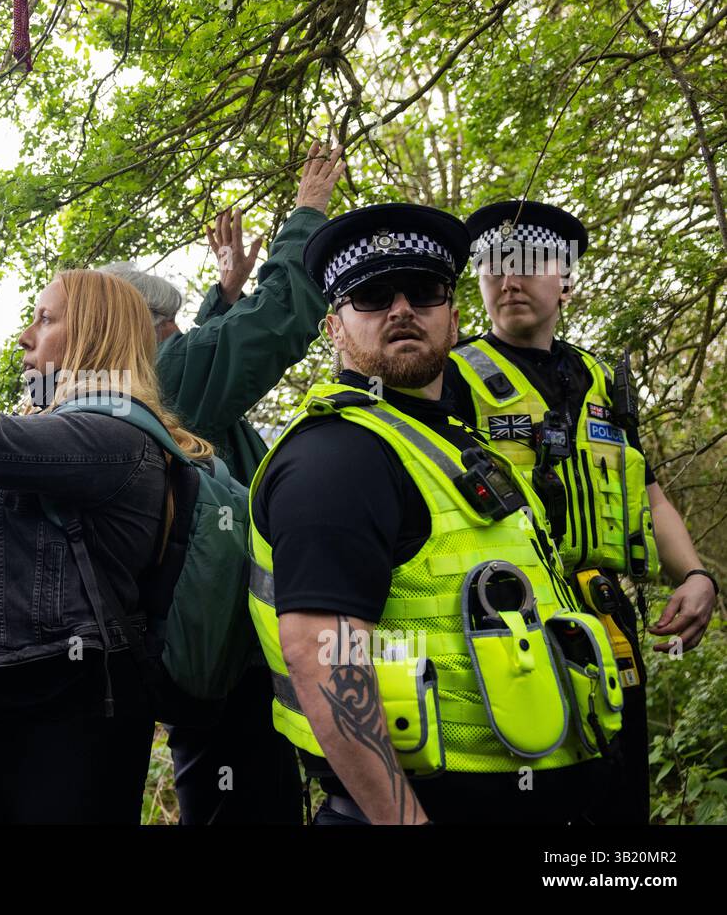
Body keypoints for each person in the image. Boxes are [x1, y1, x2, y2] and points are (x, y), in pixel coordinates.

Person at [249, 203, 614, 824]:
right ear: (334, 326)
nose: (401, 310)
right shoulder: (337, 457)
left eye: (423, 290)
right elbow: (323, 656)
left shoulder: (445, 438)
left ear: (452, 315)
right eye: (370, 296)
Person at [0, 270, 213, 824]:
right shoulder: (60, 430)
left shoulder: (112, 436)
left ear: (94, 337)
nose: (25, 337)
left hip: (74, 711)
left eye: (45, 319)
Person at [447, 200, 719, 824]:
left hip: (607, 617)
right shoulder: (450, 379)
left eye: (528, 264)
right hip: (506, 625)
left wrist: (697, 576)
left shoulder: (600, 380)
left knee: (620, 804)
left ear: (566, 279)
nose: (508, 280)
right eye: (492, 266)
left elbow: (646, 493)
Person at [99, 142, 345, 824]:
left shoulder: (146, 385)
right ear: (145, 330)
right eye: (170, 324)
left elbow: (210, 362)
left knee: (223, 787)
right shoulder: (166, 378)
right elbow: (273, 323)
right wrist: (306, 218)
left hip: (192, 649)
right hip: (227, 656)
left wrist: (224, 293)